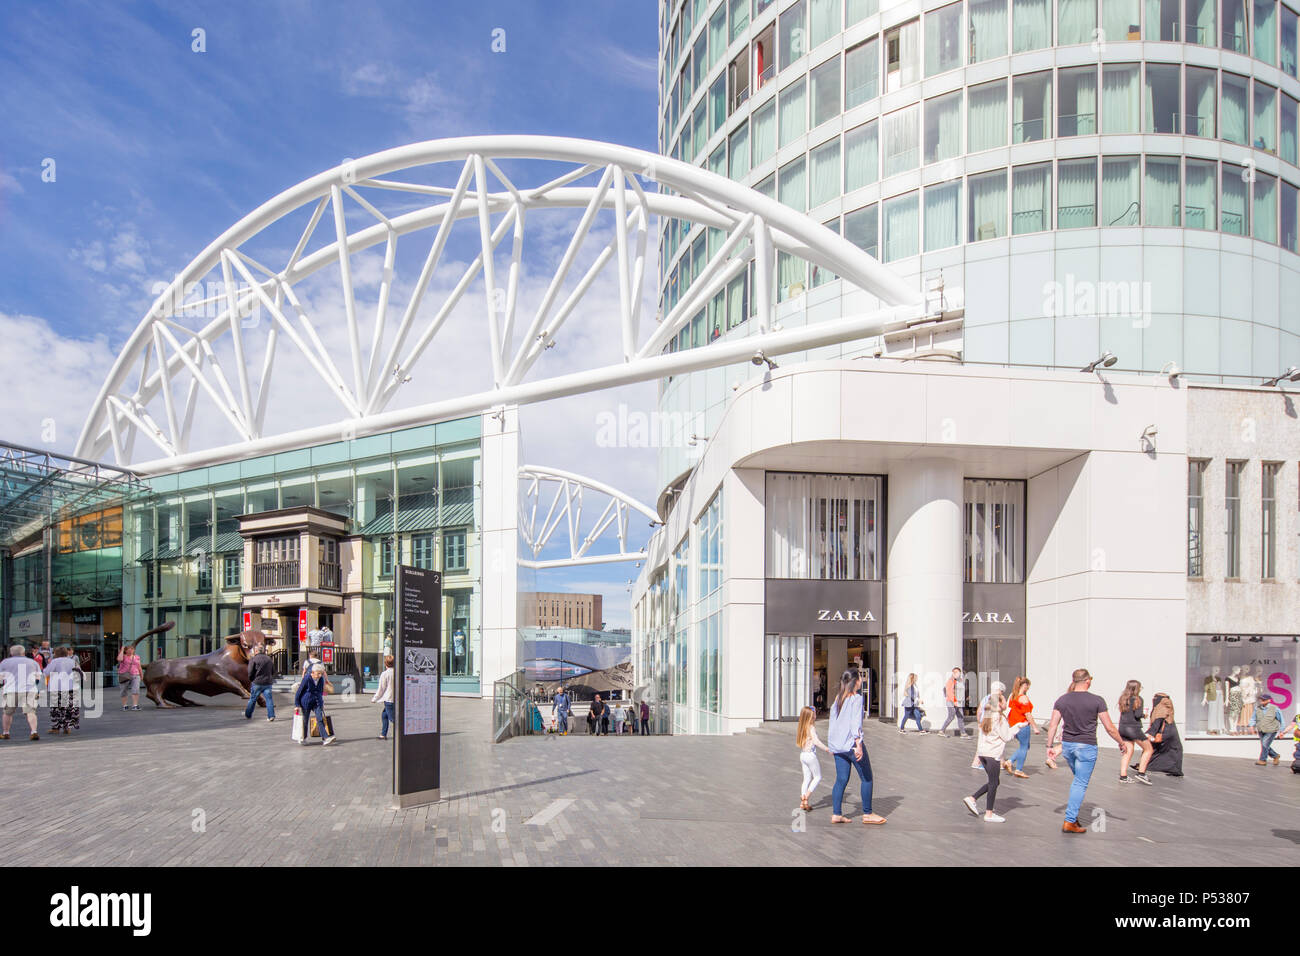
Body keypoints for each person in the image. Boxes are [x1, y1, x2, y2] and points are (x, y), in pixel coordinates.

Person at [1044, 668, 1124, 834]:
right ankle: (1070, 821)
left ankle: (1073, 816)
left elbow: (1053, 725)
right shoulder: (1097, 701)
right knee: (1080, 783)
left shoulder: (1062, 700)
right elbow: (1109, 727)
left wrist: (1049, 746)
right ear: (1088, 681)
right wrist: (1121, 743)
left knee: (1077, 782)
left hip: (1068, 746)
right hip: (1086, 746)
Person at [827, 669, 886, 826]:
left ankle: (837, 814)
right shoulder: (857, 698)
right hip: (852, 744)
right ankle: (867, 813)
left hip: (838, 746)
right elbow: (855, 724)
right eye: (860, 678)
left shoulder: (838, 699)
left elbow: (832, 723)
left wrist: (831, 745)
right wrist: (858, 744)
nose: (861, 681)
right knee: (867, 778)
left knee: (841, 780)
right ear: (854, 681)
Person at [963, 690, 1017, 822]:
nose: (1006, 702)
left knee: (995, 781)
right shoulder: (999, 718)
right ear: (999, 704)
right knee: (994, 783)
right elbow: (1007, 737)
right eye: (1003, 700)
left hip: (983, 754)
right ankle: (989, 814)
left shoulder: (987, 715)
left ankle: (972, 798)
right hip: (992, 755)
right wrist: (1018, 726)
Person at [1, 644, 43, 741]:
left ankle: (6, 733)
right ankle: (34, 732)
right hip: (29, 689)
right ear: (23, 652)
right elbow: (38, 677)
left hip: (11, 690)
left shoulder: (5, 662)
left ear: (11, 653)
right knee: (31, 712)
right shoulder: (32, 662)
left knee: (8, 713)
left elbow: (1, 677)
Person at [1117, 679, 1153, 785]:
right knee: (1148, 749)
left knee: (1128, 751)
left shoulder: (1123, 698)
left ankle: (1123, 776)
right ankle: (1141, 773)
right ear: (1136, 688)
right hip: (1133, 728)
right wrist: (1144, 715)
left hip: (1123, 727)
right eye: (1140, 687)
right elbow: (1137, 715)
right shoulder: (1138, 699)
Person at [795, 705, 831, 811]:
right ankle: (806, 795)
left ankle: (803, 802)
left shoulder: (802, 727)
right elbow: (816, 741)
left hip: (803, 755)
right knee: (817, 777)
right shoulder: (811, 728)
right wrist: (827, 749)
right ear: (811, 717)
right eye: (814, 713)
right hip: (810, 755)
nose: (816, 715)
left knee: (806, 778)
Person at [1004, 677, 1039, 778]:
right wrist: (1035, 727)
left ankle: (1010, 761)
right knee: (1024, 747)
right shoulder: (1023, 698)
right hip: (1023, 725)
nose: (1028, 688)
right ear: (1025, 686)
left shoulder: (1012, 696)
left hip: (1014, 725)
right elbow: (1028, 714)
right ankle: (1018, 769)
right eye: (1028, 686)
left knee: (1024, 746)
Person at [294, 662, 336, 746]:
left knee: (320, 718)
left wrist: (321, 704)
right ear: (312, 672)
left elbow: (320, 692)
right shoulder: (307, 678)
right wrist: (297, 705)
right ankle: (303, 738)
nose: (320, 675)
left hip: (316, 702)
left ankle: (326, 738)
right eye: (318, 673)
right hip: (306, 702)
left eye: (321, 673)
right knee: (305, 721)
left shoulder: (321, 679)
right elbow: (299, 692)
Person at [1142, 693, 1183, 776]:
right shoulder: (1165, 705)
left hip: (1164, 732)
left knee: (1152, 748)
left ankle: (1146, 766)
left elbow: (1158, 720)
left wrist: (1151, 732)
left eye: (1156, 698)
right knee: (1172, 750)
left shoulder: (1161, 706)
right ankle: (1173, 769)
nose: (1154, 699)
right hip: (1170, 731)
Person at [46, 646, 82, 735]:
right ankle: (67, 727)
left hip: (56, 687)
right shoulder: (73, 661)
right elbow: (79, 671)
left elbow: (47, 672)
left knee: (56, 708)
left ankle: (56, 727)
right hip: (70, 687)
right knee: (68, 708)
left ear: (56, 653)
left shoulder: (54, 661)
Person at [972, 681, 1007, 769]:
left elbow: (979, 711)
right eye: (1002, 691)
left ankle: (976, 762)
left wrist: (979, 722)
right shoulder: (995, 698)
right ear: (999, 690)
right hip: (991, 724)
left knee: (982, 743)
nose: (1002, 693)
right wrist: (1003, 699)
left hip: (984, 722)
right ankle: (1000, 763)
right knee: (998, 743)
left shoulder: (986, 698)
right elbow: (1003, 708)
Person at [1250, 692, 1285, 766]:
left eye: (1263, 699)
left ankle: (1262, 760)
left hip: (1271, 730)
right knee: (1264, 745)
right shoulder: (1257, 708)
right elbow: (1253, 718)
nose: (1261, 701)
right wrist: (1251, 726)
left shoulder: (1275, 709)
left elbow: (1281, 720)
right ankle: (1275, 756)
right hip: (1261, 729)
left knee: (1265, 744)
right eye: (1261, 699)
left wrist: (1282, 731)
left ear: (1269, 700)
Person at [244, 643, 276, 722]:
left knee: (253, 699)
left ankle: (248, 714)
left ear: (256, 651)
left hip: (257, 682)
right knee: (269, 700)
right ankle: (271, 716)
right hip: (267, 682)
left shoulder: (254, 659)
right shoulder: (269, 659)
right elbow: (273, 671)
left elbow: (250, 672)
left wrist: (251, 679)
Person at [371, 654, 395, 740]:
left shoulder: (385, 674)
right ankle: (383, 734)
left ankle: (403, 733)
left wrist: (375, 698)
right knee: (384, 715)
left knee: (393, 719)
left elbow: (381, 688)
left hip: (389, 699)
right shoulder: (397, 672)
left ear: (385, 664)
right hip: (396, 699)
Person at [940, 667, 966, 738]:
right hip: (952, 703)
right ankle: (941, 731)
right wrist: (954, 702)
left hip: (959, 702)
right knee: (951, 717)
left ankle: (963, 733)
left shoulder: (960, 680)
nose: (957, 674)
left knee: (960, 717)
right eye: (955, 672)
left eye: (958, 672)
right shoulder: (951, 681)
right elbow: (949, 692)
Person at [117, 643, 143, 711]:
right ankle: (125, 705)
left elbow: (139, 666)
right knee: (124, 690)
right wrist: (122, 650)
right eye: (129, 649)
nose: (131, 650)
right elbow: (119, 659)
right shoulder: (123, 656)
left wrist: (141, 675)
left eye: (132, 649)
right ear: (126, 650)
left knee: (136, 690)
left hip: (135, 675)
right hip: (124, 675)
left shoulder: (137, 657)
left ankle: (135, 705)